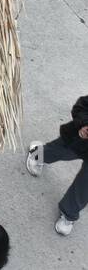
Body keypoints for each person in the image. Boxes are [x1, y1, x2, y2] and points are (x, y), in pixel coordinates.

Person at [28, 95, 88, 234]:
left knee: (85, 186)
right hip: (79, 140)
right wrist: (83, 124)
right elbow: (82, 105)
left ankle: (69, 213)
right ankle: (37, 154)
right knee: (58, 151)